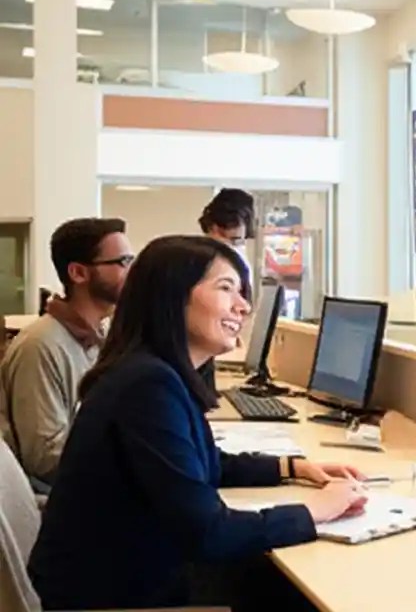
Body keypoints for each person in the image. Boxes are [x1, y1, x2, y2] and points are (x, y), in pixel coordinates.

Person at [27, 236, 368, 611]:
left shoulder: (153, 372)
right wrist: (315, 510)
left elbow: (201, 462)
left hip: (118, 577)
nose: (243, 306)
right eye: (226, 289)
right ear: (172, 297)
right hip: (111, 598)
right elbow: (210, 533)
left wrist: (292, 467)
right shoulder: (147, 385)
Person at [0, 217, 132, 489]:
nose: (132, 273)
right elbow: (45, 458)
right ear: (78, 273)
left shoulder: (98, 339)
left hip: (88, 486)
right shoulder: (40, 346)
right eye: (122, 263)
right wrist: (134, 465)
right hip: (58, 503)